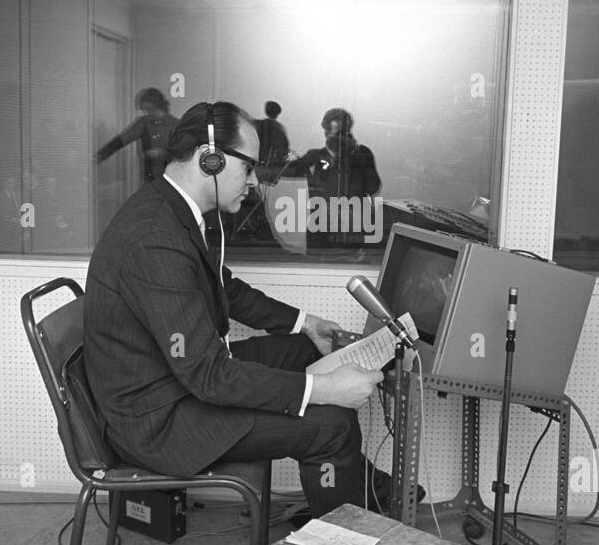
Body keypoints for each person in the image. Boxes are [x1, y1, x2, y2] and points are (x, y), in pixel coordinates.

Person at [84, 101, 405, 518]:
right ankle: (342, 540)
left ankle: (353, 490)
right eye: (248, 167)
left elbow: (225, 288)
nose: (253, 182)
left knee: (311, 350)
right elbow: (208, 375)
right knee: (331, 425)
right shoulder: (153, 238)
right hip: (162, 422)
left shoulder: (174, 211)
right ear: (210, 159)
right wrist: (325, 390)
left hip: (179, 382)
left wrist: (305, 324)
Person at [288, 107, 382, 249]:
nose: (332, 139)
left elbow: (373, 188)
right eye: (330, 134)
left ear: (348, 133)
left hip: (353, 229)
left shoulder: (362, 154)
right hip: (321, 228)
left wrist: (359, 160)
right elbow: (289, 177)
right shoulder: (316, 156)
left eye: (339, 135)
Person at [95, 87, 178, 182]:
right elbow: (122, 140)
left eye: (150, 109)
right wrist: (99, 156)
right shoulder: (143, 123)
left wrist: (163, 153)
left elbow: (184, 154)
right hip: (150, 180)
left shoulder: (175, 125)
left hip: (172, 180)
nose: (147, 113)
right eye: (145, 110)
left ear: (160, 106)